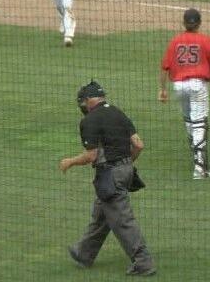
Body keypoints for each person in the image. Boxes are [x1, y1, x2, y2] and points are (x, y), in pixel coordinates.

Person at [59, 81, 156, 276]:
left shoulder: (90, 120)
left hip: (110, 175)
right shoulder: (117, 112)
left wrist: (70, 161)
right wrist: (126, 164)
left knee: (122, 220)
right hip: (126, 170)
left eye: (83, 102)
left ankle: (143, 262)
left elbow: (91, 155)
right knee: (102, 215)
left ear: (88, 100)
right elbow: (138, 144)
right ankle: (83, 253)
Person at [158, 8, 210, 179]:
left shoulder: (175, 41)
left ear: (184, 23)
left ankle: (199, 161)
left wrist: (162, 89)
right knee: (200, 124)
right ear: (199, 23)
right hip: (197, 85)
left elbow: (164, 67)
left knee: (190, 121)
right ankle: (199, 168)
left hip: (179, 86)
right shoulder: (205, 41)